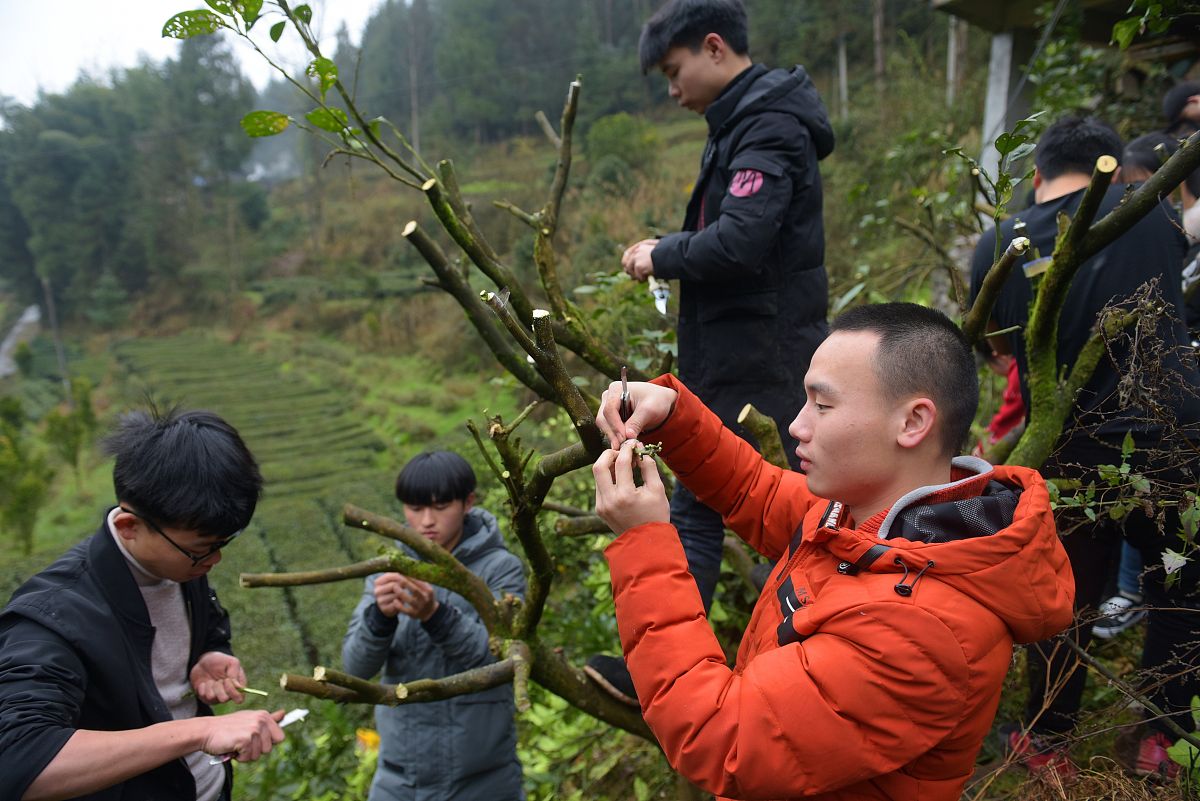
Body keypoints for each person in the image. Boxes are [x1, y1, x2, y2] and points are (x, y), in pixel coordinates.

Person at [591, 302, 1075, 801]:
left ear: (912, 422)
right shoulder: (871, 519)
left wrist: (643, 541)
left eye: (822, 406)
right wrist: (672, 416)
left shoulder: (925, 634)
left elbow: (723, 738)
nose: (797, 426)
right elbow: (754, 490)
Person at [597, 0, 835, 704]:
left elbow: (741, 241)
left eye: (674, 71)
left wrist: (659, 253)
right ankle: (676, 675)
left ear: (714, 48)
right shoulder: (739, 123)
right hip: (733, 352)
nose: (671, 89)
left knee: (791, 516)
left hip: (761, 356)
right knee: (704, 509)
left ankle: (791, 677)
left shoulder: (767, 125)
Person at [968, 115, 1200, 779]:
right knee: (1181, 587)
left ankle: (1046, 740)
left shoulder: (998, 242)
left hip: (1071, 448)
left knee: (1065, 598)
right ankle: (1164, 741)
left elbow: (998, 350)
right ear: (1113, 169)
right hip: (1174, 435)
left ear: (1035, 172)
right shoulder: (1150, 212)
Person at [0, 407, 284, 801]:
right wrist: (200, 732)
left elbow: (210, 619)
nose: (214, 561)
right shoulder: (52, 617)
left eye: (222, 545)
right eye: (203, 550)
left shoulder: (179, 564)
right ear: (128, 527)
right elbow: (17, 761)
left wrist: (209, 652)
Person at [342, 451, 526, 801]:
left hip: (481, 780)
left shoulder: (500, 570)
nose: (426, 520)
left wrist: (435, 615)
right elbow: (356, 667)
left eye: (440, 507)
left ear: (467, 502)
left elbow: (501, 663)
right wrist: (380, 617)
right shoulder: (389, 569)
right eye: (414, 507)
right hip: (399, 778)